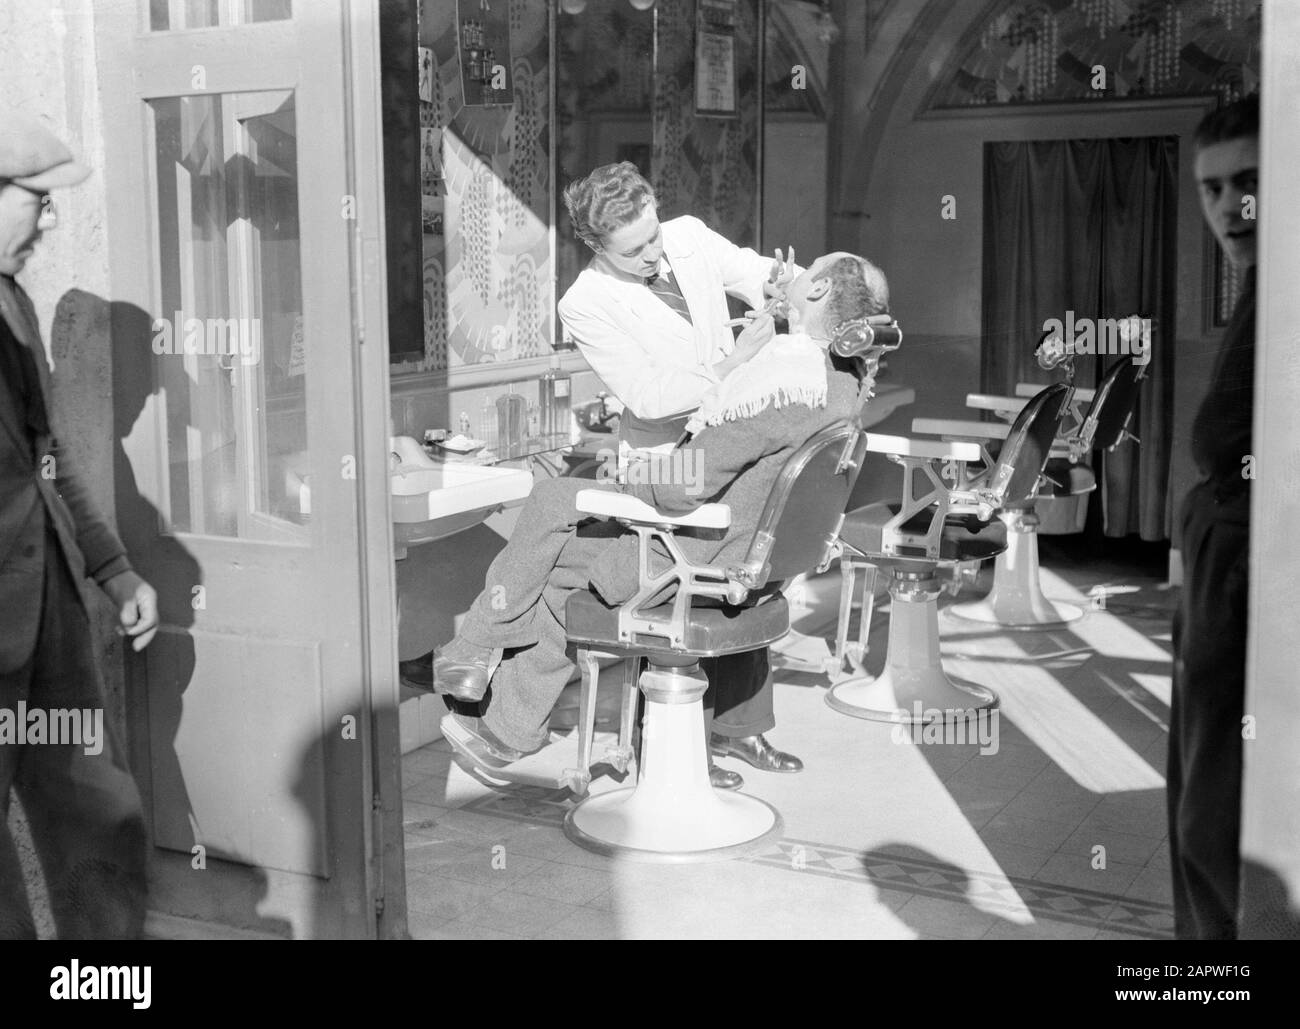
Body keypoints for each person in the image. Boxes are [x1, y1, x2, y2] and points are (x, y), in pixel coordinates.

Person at [429, 252, 889, 775]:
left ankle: (484, 674)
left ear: (820, 288)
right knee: (558, 537)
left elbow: (686, 487)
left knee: (552, 517)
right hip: (755, 557)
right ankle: (495, 700)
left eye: (809, 270)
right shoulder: (842, 380)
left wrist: (627, 479)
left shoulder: (782, 379)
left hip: (697, 554)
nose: (797, 272)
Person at [555, 161, 803, 786]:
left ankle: (741, 731)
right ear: (595, 246)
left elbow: (760, 273)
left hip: (731, 441)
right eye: (633, 251)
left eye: (653, 235)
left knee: (751, 568)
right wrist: (732, 362)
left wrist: (807, 289)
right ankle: (672, 744)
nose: (652, 254)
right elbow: (645, 394)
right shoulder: (583, 303)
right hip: (669, 459)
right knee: (678, 592)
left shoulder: (688, 235)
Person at [0, 111, 158, 939]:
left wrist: (114, 569)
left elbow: (47, 454)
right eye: (38, 198)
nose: (50, 219)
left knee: (99, 815)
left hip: (49, 622)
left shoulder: (10, 303)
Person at [1166, 93, 1258, 940]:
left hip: (1252, 574)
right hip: (1224, 564)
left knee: (1218, 820)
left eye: (1252, 182)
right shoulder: (1263, 284)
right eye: (1213, 188)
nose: (1230, 206)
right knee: (1201, 802)